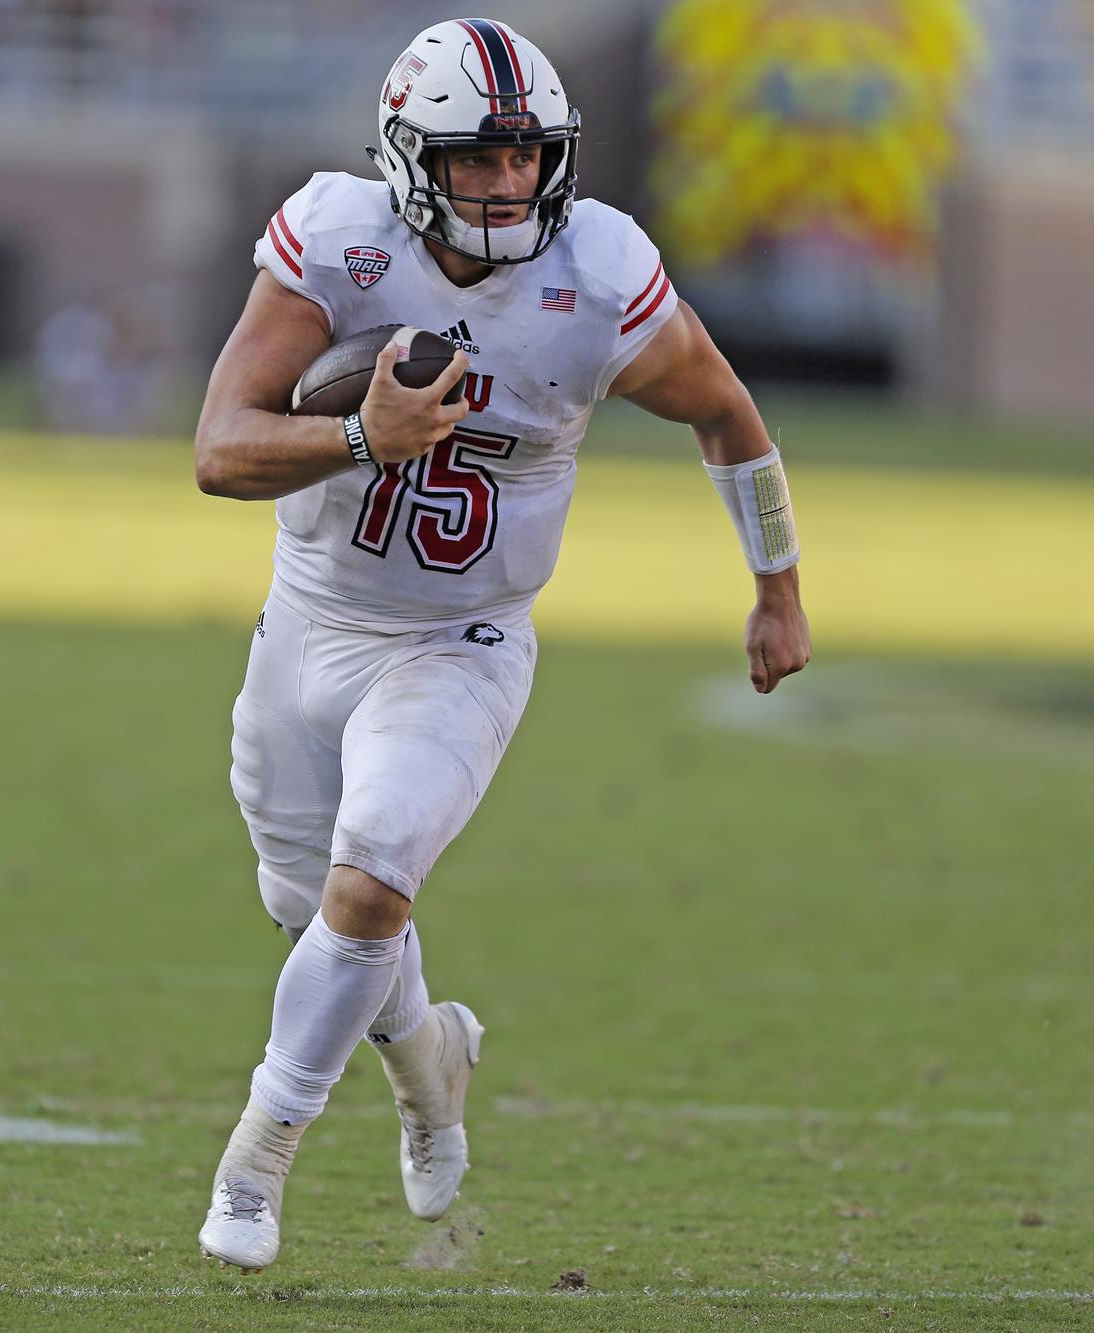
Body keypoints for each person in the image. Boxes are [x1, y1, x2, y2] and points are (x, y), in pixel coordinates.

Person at [191, 18, 812, 1273]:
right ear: (412, 160)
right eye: (478, 159)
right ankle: (430, 1063)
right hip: (310, 617)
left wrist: (776, 586)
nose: (509, 184)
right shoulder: (338, 239)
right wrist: (363, 437)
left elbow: (725, 412)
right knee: (306, 903)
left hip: (461, 639)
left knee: (369, 884)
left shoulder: (595, 270)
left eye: (527, 157)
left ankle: (255, 1161)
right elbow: (220, 448)